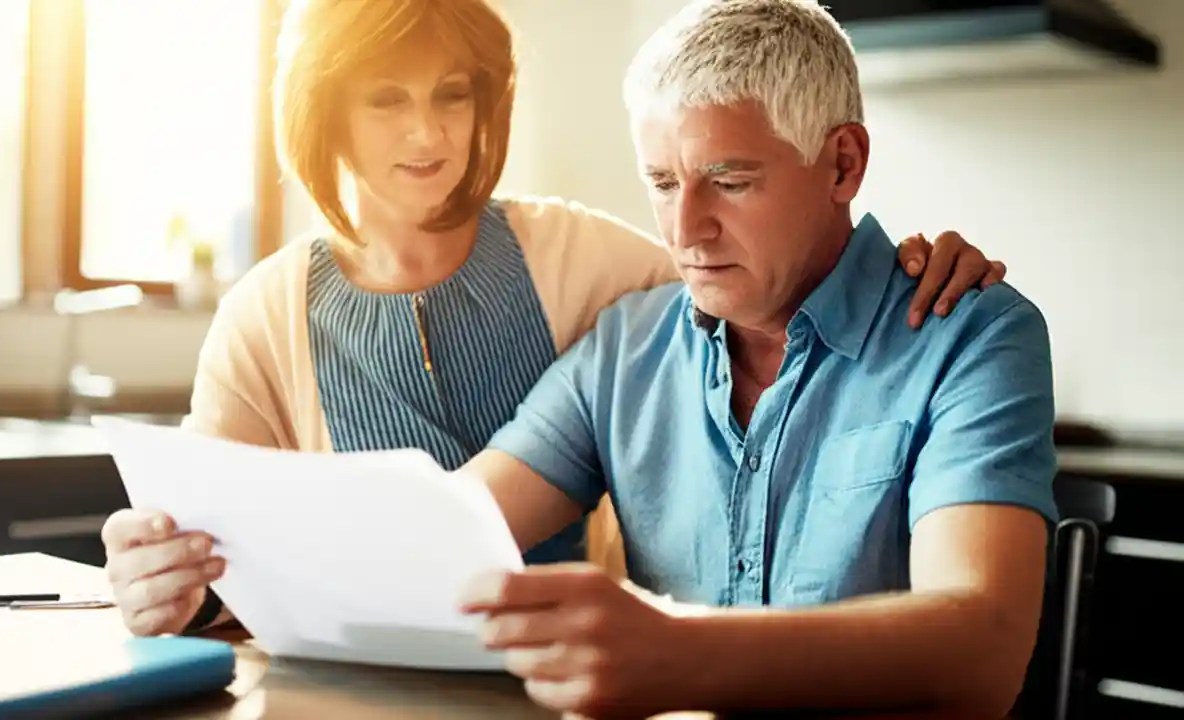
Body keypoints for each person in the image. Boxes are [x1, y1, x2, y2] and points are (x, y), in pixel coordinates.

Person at [100, 0, 1008, 640]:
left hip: (577, 690)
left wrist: (904, 275)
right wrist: (183, 584)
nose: (427, 136)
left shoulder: (593, 267)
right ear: (323, 113)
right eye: (386, 98)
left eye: (450, 95)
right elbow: (253, 546)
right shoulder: (267, 314)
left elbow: (771, 287)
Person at [455, 1, 1057, 717]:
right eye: (663, 183)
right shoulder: (623, 350)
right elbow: (447, 536)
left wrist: (679, 651)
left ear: (842, 164)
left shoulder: (970, 336)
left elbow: (980, 654)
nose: (687, 230)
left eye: (731, 182)